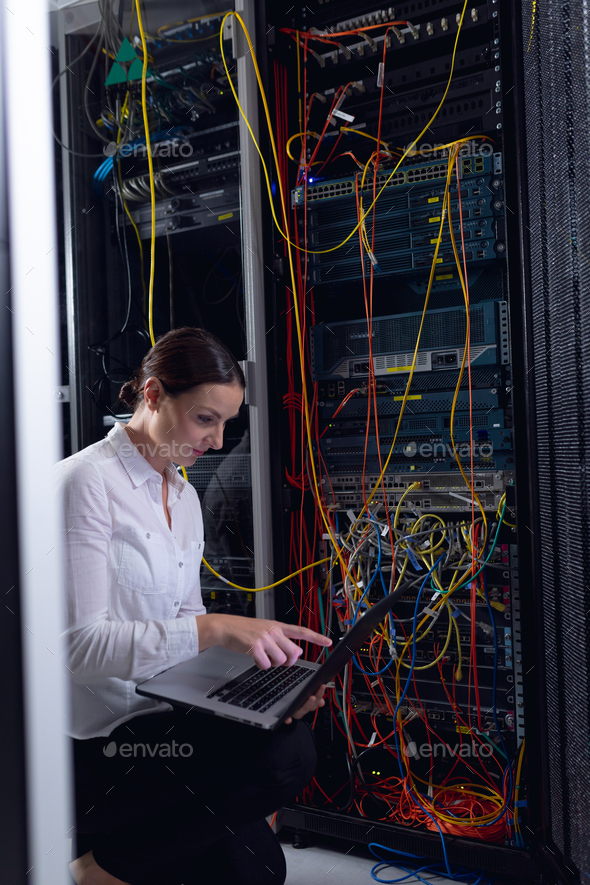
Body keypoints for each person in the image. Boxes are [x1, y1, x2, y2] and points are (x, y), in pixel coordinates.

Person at [57, 327, 331, 885]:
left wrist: (257, 692)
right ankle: (99, 869)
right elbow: (77, 652)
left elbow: (181, 637)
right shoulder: (83, 483)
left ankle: (120, 851)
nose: (219, 439)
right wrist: (217, 629)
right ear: (153, 395)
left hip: (162, 725)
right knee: (287, 757)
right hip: (94, 750)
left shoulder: (182, 496)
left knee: (258, 869)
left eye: (227, 422)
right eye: (207, 418)